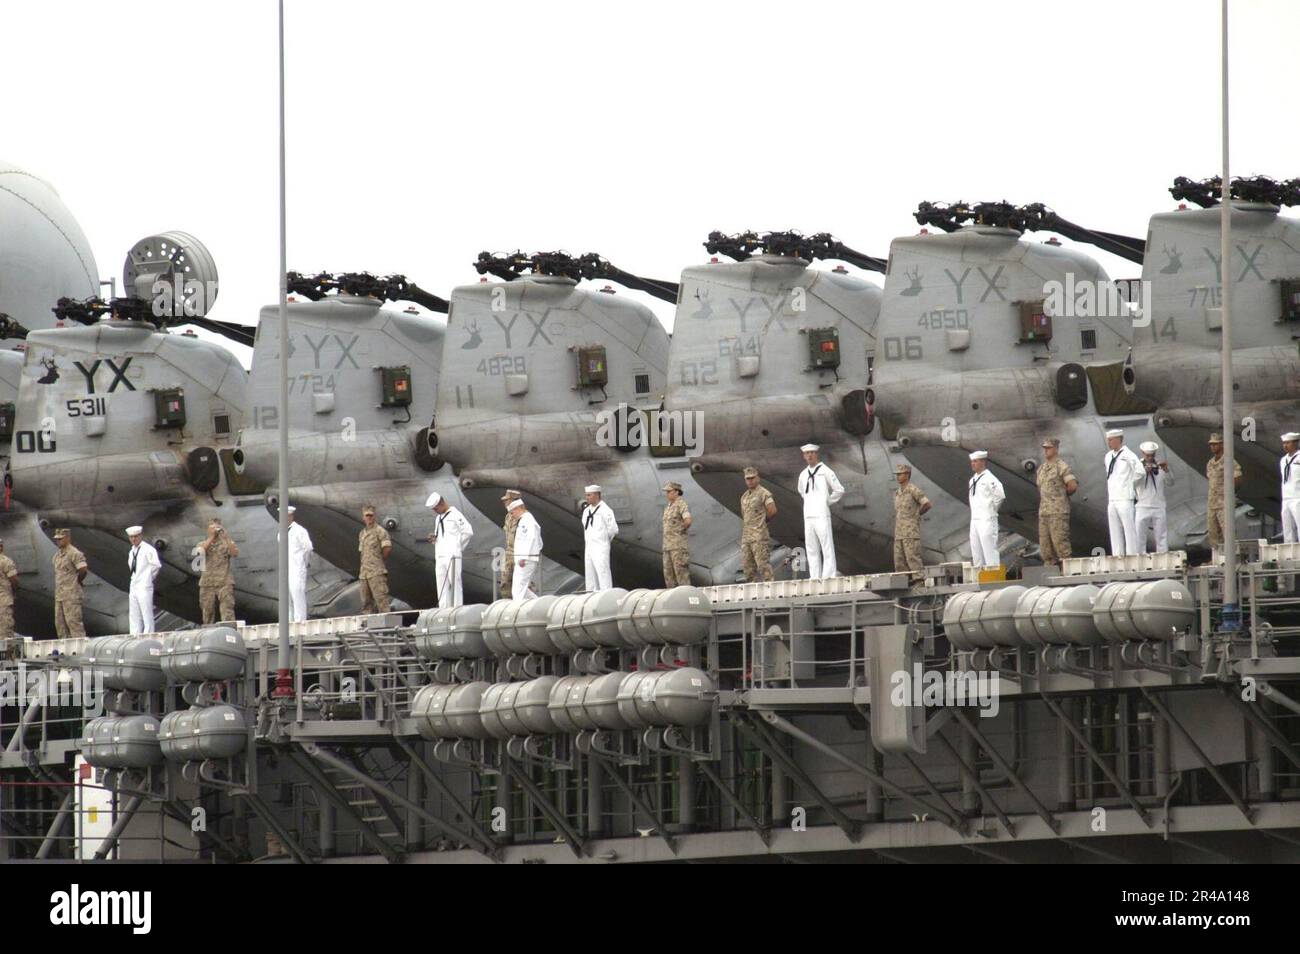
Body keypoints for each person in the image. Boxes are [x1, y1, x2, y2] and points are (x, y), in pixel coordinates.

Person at [798, 443, 844, 579]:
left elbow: (839, 489)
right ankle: (815, 576)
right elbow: (801, 491)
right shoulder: (803, 474)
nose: (810, 455)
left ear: (816, 454)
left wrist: (827, 501)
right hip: (808, 515)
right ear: (804, 456)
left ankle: (829, 574)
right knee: (811, 547)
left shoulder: (825, 471)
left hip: (822, 514)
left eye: (812, 453)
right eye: (807, 453)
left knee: (826, 545)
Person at [426, 491, 474, 607]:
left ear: (441, 504)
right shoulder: (438, 518)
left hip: (452, 554)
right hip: (440, 554)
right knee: (441, 583)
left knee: (455, 582)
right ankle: (444, 609)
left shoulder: (455, 515)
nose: (435, 511)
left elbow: (468, 532)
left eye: (435, 509)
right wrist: (434, 539)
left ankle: (457, 607)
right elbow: (442, 535)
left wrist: (457, 547)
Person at [1036, 438, 1077, 566]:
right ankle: (1049, 568)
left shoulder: (1062, 467)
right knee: (1045, 545)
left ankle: (1067, 568)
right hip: (1044, 512)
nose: (1046, 451)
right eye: (1045, 448)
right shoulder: (1042, 469)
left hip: (1058, 511)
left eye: (1048, 448)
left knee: (1060, 543)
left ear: (1056, 449)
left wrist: (1061, 497)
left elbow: (1072, 486)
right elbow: (1040, 487)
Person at [1103, 428, 1143, 556]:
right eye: (1108, 440)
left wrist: (1130, 484)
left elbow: (1140, 472)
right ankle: (1117, 555)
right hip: (1113, 498)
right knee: (1114, 530)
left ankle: (1132, 555)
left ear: (1118, 440)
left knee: (1129, 529)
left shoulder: (1128, 454)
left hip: (1125, 497)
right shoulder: (1108, 456)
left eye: (1111, 440)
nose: (1109, 443)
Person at [967, 451, 1005, 568]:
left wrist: (991, 511)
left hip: (987, 518)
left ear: (983, 462)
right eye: (972, 461)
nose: (972, 464)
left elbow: (1000, 496)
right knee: (976, 550)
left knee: (989, 550)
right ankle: (979, 575)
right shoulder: (972, 480)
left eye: (975, 461)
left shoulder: (989, 478)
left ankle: (993, 573)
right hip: (975, 519)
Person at [739, 466, 777, 582]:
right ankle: (752, 592)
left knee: (763, 565)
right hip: (746, 537)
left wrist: (762, 522)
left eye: (752, 478)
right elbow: (744, 515)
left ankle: (770, 588)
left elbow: (772, 510)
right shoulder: (745, 496)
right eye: (747, 479)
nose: (750, 481)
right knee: (747, 567)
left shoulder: (764, 493)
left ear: (758, 478)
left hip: (759, 536)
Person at [892, 464, 931, 577]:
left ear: (907, 475)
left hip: (910, 532)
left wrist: (916, 515)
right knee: (899, 559)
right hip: (899, 532)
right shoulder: (897, 492)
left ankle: (919, 581)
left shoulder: (913, 490)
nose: (898, 477)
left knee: (912, 557)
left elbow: (927, 504)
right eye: (897, 474)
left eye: (900, 474)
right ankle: (903, 580)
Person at [197, 518, 238, 624]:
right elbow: (199, 553)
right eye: (212, 527)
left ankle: (229, 630)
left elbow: (234, 553)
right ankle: (207, 630)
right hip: (207, 582)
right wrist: (211, 537)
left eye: (217, 527)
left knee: (227, 610)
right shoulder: (203, 543)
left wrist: (226, 537)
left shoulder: (226, 543)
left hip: (224, 581)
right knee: (207, 611)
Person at [1135, 441, 1173, 554]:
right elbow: (1131, 483)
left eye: (1152, 455)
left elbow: (1171, 482)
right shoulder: (1137, 466)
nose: (1150, 458)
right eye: (1147, 455)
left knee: (1161, 535)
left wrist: (1166, 470)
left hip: (1158, 505)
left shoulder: (1160, 465)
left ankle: (1163, 557)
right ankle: (1139, 559)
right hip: (1142, 505)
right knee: (1139, 536)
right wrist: (1143, 472)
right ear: (1143, 453)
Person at [1206, 433, 1242, 550]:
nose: (1213, 447)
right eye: (1211, 445)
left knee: (1228, 533)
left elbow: (1237, 478)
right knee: (1213, 533)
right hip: (1212, 503)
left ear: (1222, 444)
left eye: (1215, 444)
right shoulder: (1210, 463)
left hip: (1224, 503)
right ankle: (1217, 557)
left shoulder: (1228, 460)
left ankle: (1232, 556)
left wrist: (1230, 495)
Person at [580, 484, 617, 591]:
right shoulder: (587, 511)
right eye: (586, 495)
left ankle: (606, 592)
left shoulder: (605, 510)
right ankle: (591, 593)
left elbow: (613, 529)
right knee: (590, 573)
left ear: (596, 495)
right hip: (589, 546)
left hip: (601, 546)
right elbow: (585, 526)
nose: (587, 498)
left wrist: (604, 539)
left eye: (589, 495)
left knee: (602, 571)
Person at [52, 528, 88, 638]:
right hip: (60, 595)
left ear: (67, 538)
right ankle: (65, 650)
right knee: (60, 625)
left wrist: (76, 581)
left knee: (74, 624)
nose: (58, 541)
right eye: (57, 539)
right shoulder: (57, 555)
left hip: (71, 594)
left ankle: (80, 650)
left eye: (61, 539)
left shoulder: (74, 553)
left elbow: (83, 570)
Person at [280, 506, 313, 622]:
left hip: (297, 567)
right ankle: (289, 623)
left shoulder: (300, 530)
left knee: (297, 595)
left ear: (290, 516)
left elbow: (308, 548)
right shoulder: (281, 533)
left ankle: (300, 622)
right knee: (287, 599)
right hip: (286, 569)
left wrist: (304, 562)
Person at [126, 525, 161, 634]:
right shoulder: (131, 551)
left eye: (135, 536)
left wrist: (148, 578)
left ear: (140, 536)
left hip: (144, 585)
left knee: (146, 613)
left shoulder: (148, 549)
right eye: (131, 537)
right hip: (134, 584)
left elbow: (156, 565)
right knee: (134, 613)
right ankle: (134, 634)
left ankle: (148, 634)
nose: (133, 539)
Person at [357, 505, 392, 614]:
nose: (369, 518)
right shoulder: (362, 534)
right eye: (367, 516)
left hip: (376, 571)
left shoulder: (380, 531)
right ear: (363, 517)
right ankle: (368, 625)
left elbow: (387, 548)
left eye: (371, 515)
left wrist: (379, 561)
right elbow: (362, 552)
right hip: (364, 573)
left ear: (374, 516)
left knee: (381, 600)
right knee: (365, 602)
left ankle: (387, 626)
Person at [661, 481, 692, 587]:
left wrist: (678, 532)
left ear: (677, 492)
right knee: (669, 575)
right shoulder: (668, 507)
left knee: (681, 574)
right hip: (667, 547)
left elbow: (687, 521)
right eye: (667, 492)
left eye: (669, 491)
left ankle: (685, 598)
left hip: (678, 546)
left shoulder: (681, 505)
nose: (667, 494)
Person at [510, 498, 542, 600]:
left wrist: (524, 557)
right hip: (524, 559)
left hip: (525, 560)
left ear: (519, 508)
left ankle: (516, 612)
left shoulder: (527, 520)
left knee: (518, 589)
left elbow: (530, 539)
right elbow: (540, 543)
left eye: (513, 511)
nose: (512, 514)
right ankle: (540, 605)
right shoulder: (524, 520)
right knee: (522, 589)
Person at [499, 489, 522, 597]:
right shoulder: (508, 517)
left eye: (507, 501)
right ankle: (507, 605)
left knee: (522, 583)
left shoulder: (522, 517)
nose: (505, 503)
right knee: (505, 582)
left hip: (518, 553)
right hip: (509, 553)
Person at [1280, 432, 1300, 543]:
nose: (1285, 446)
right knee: (1287, 527)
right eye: (1284, 443)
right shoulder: (1283, 460)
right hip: (1286, 497)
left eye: (1288, 443)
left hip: (1298, 496)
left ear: (1296, 443)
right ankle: (1290, 551)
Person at [0, 540, 18, 657]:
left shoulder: (6, 562)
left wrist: (13, 591)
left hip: (4, 600)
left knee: (5, 631)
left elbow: (14, 580)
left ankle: (9, 657)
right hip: (4, 599)